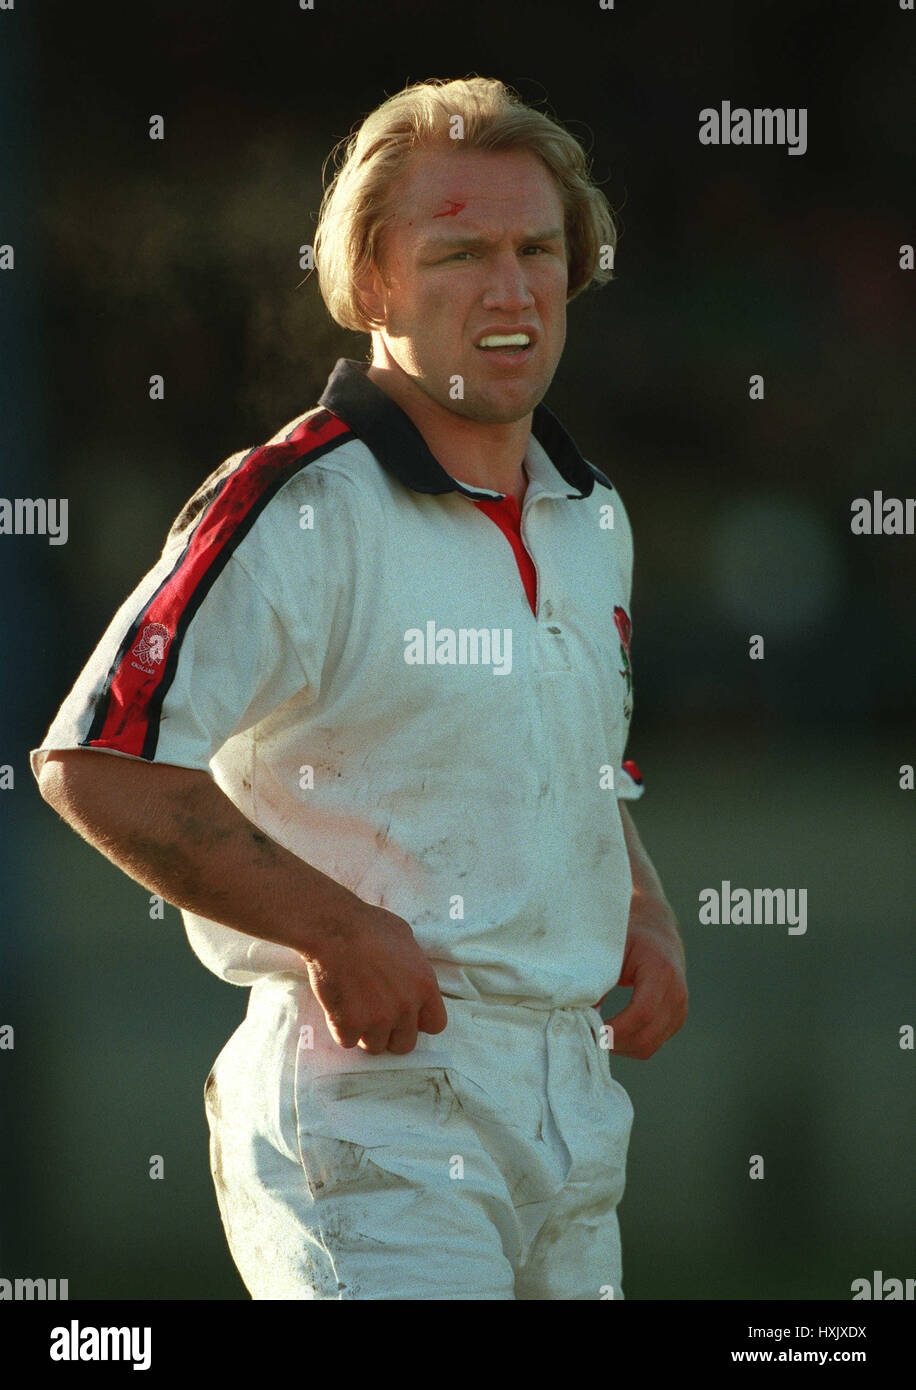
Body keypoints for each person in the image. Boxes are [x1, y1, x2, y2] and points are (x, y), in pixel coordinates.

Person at [31, 75, 687, 1300]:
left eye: (536, 247)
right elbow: (96, 760)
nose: (510, 287)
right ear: (371, 283)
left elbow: (564, 751)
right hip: (369, 1106)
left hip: (575, 1112)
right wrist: (336, 929)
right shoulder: (294, 501)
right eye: (458, 254)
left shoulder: (590, 511)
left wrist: (633, 900)